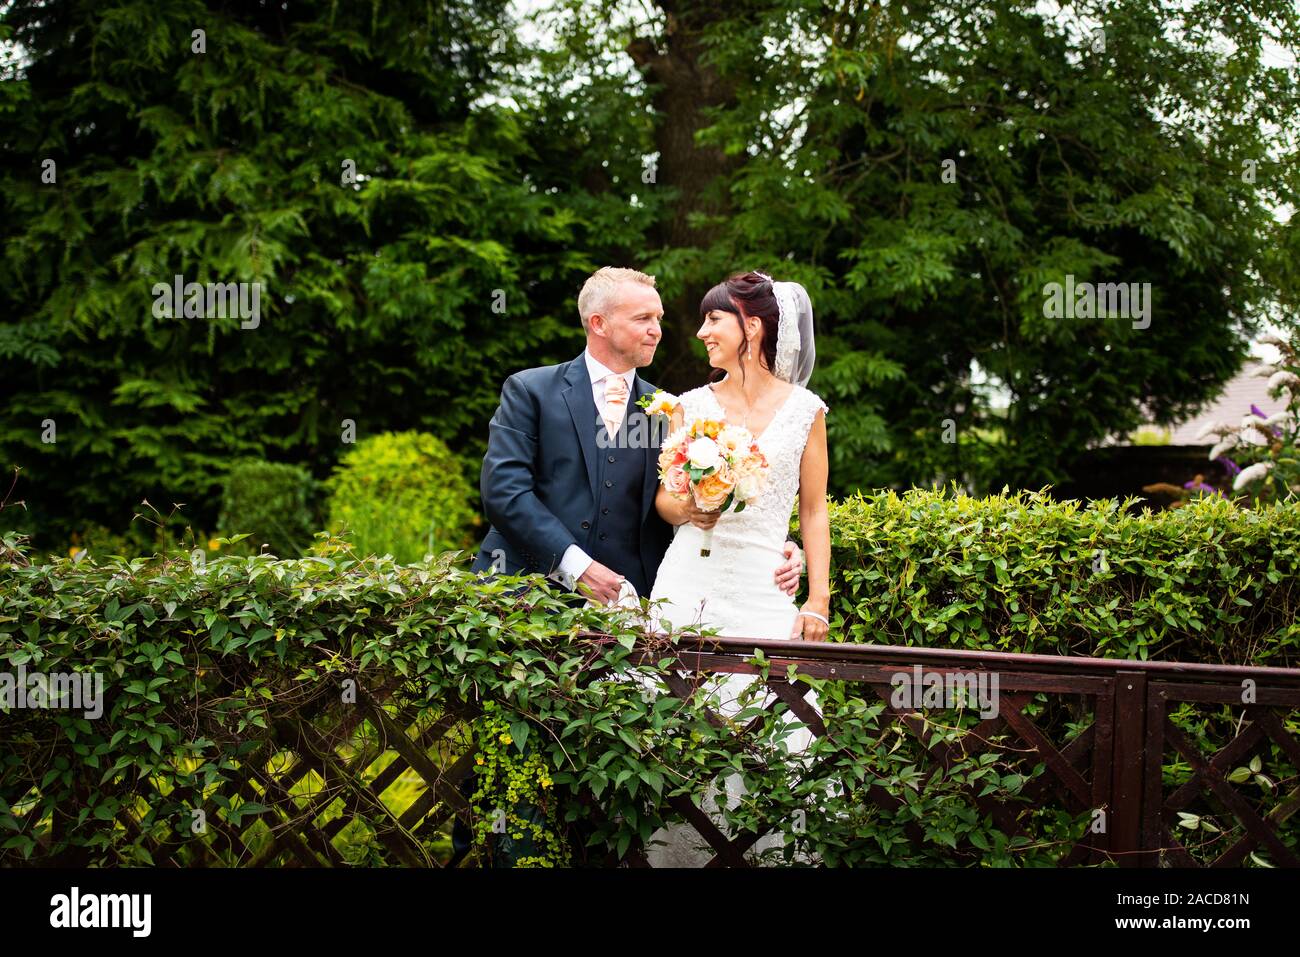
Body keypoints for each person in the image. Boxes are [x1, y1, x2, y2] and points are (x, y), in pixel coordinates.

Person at [462, 266, 805, 865]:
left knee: (610, 776)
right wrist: (577, 566)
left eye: (658, 318)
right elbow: (505, 494)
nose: (658, 329)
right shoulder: (531, 390)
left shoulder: (671, 411)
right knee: (509, 766)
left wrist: (778, 543)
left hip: (627, 628)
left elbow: (689, 502)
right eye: (643, 318)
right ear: (599, 323)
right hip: (521, 610)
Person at [643, 270, 832, 867]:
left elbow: (813, 509)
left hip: (761, 589)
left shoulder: (807, 411)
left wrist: (817, 600)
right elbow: (665, 502)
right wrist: (695, 506)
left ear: (752, 326)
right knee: (674, 726)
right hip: (686, 583)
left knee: (775, 730)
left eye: (713, 320)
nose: (701, 332)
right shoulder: (690, 406)